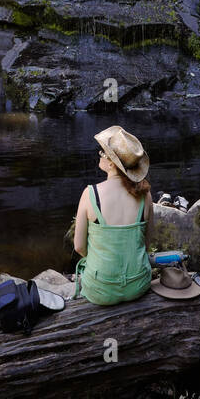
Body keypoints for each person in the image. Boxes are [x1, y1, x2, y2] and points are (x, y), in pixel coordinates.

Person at [73, 125, 153, 305]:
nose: (100, 154)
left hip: (100, 289)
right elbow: (146, 244)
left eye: (102, 152)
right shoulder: (145, 195)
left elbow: (79, 247)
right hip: (138, 284)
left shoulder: (90, 194)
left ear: (111, 163)